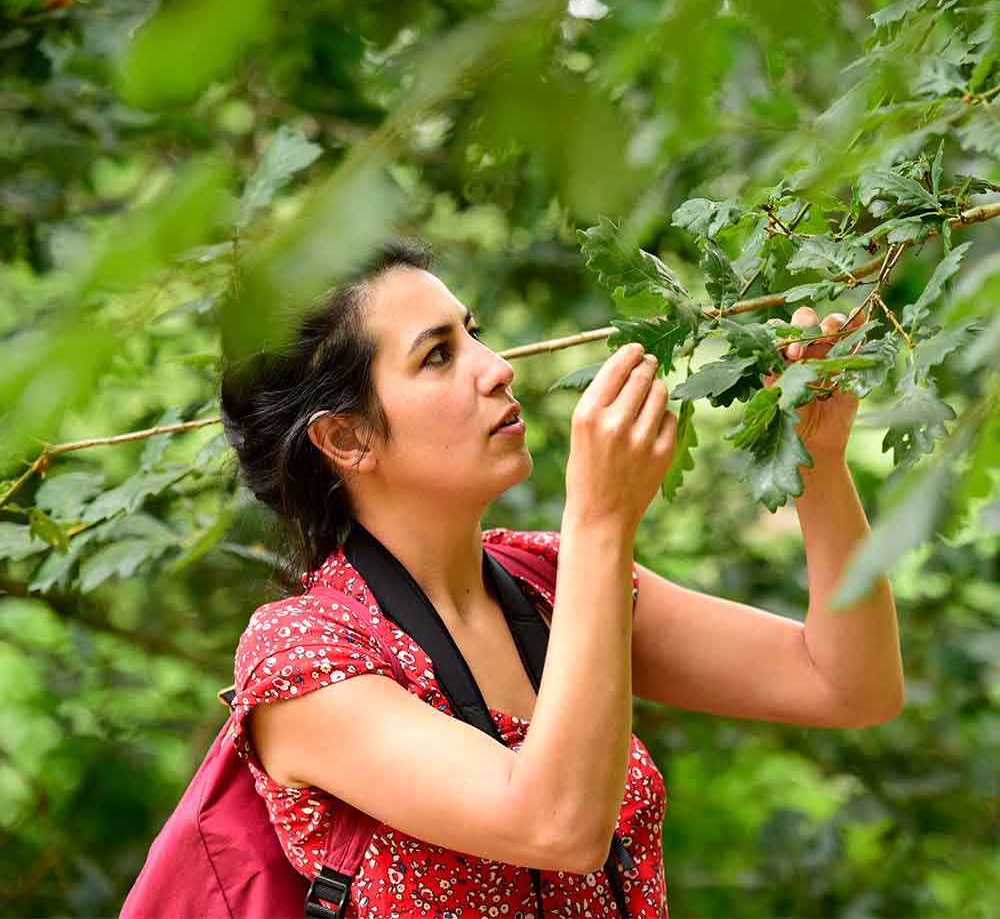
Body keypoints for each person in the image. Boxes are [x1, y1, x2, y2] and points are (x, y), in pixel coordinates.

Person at [218, 237, 903, 917]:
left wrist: (817, 456)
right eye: (438, 356)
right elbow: (557, 827)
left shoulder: (545, 579)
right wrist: (601, 521)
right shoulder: (304, 656)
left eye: (474, 334)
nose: (496, 369)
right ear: (348, 440)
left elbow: (848, 685)